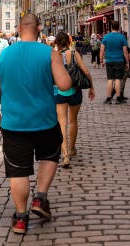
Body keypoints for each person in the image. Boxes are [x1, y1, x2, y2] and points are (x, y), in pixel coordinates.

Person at [0, 14, 71, 235]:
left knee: (18, 172)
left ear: (18, 27)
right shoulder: (49, 53)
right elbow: (65, 85)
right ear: (39, 28)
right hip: (44, 120)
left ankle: (20, 217)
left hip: (14, 123)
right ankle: (40, 197)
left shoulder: (4, 55)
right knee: (49, 156)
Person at [53, 32, 95, 168]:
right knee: (73, 121)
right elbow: (85, 71)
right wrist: (91, 86)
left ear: (57, 43)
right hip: (75, 91)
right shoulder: (74, 53)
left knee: (61, 123)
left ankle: (64, 155)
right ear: (69, 41)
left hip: (59, 91)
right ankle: (71, 149)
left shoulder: (54, 56)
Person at [100, 21, 129, 104]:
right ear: (118, 28)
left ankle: (109, 98)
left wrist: (101, 61)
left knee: (110, 79)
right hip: (119, 60)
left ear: (111, 27)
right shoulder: (122, 37)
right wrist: (127, 62)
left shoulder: (106, 37)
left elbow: (101, 50)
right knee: (118, 80)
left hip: (109, 61)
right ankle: (118, 98)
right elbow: (125, 51)